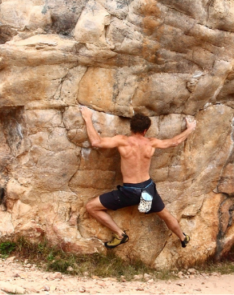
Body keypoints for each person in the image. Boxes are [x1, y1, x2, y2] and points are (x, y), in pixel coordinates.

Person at [80, 106, 196, 249]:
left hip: (129, 192)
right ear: (145, 130)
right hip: (148, 189)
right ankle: (183, 237)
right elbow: (174, 142)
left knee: (91, 207)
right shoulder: (151, 142)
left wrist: (87, 118)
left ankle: (120, 234)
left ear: (131, 127)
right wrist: (190, 129)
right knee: (165, 214)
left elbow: (96, 142)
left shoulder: (123, 141)